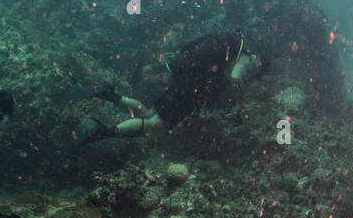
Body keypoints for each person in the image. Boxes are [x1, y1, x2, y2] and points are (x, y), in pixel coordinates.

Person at [76, 31, 271, 146]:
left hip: (186, 84)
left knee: (150, 112)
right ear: (258, 61)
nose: (254, 71)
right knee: (153, 125)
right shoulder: (245, 58)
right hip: (191, 92)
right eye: (258, 70)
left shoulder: (234, 47)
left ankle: (109, 94)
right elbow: (235, 76)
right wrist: (239, 95)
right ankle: (106, 132)